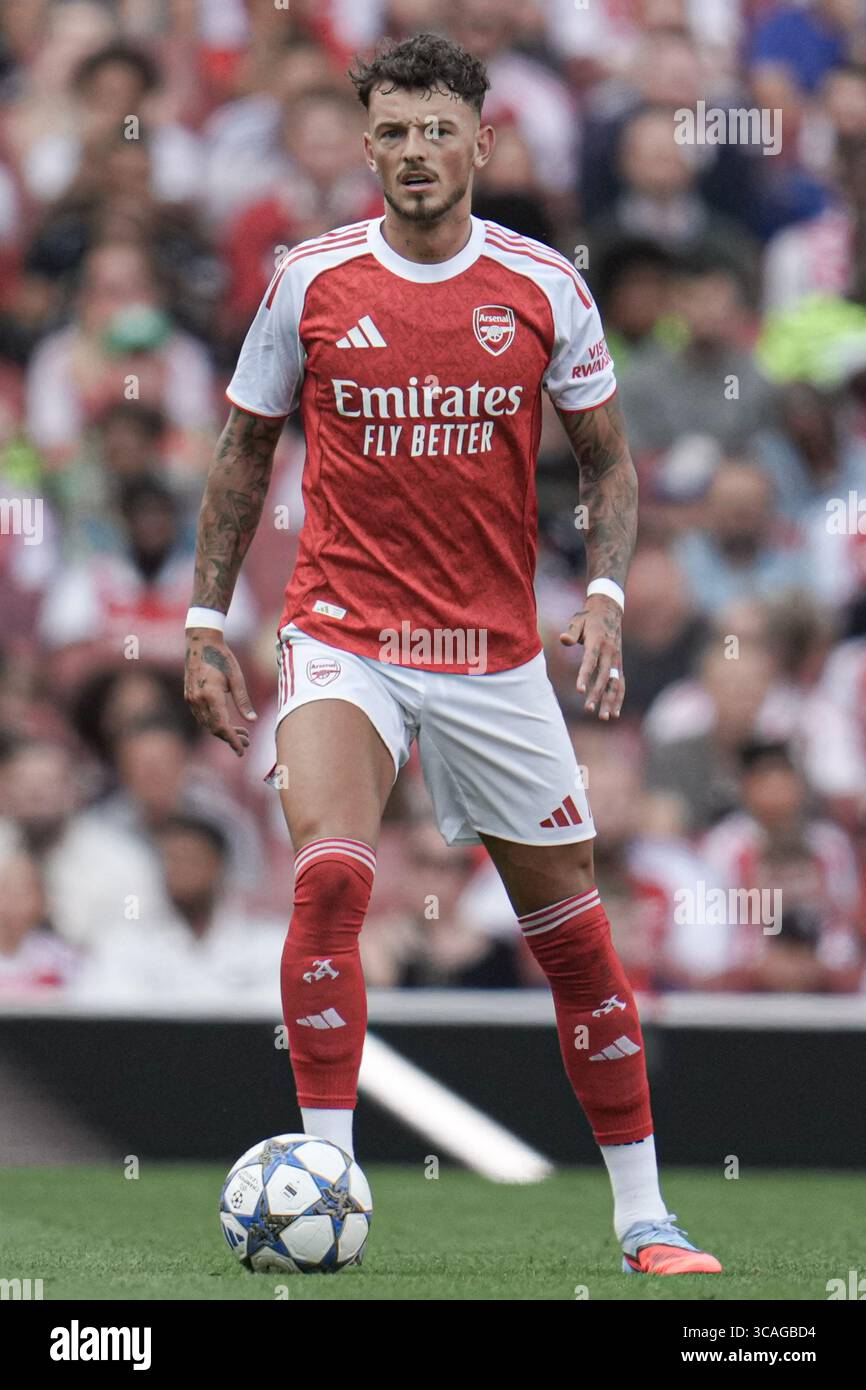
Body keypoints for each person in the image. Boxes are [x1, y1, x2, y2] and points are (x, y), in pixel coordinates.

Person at [183, 32, 721, 1276]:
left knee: (574, 940)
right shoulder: (309, 281)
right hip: (342, 631)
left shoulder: (544, 286)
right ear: (363, 145)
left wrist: (598, 591)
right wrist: (206, 623)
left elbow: (608, 462)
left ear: (480, 141)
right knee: (328, 882)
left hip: (487, 650)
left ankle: (644, 1218)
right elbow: (239, 456)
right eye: (392, 132)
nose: (415, 154)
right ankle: (332, 1171)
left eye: (437, 131)